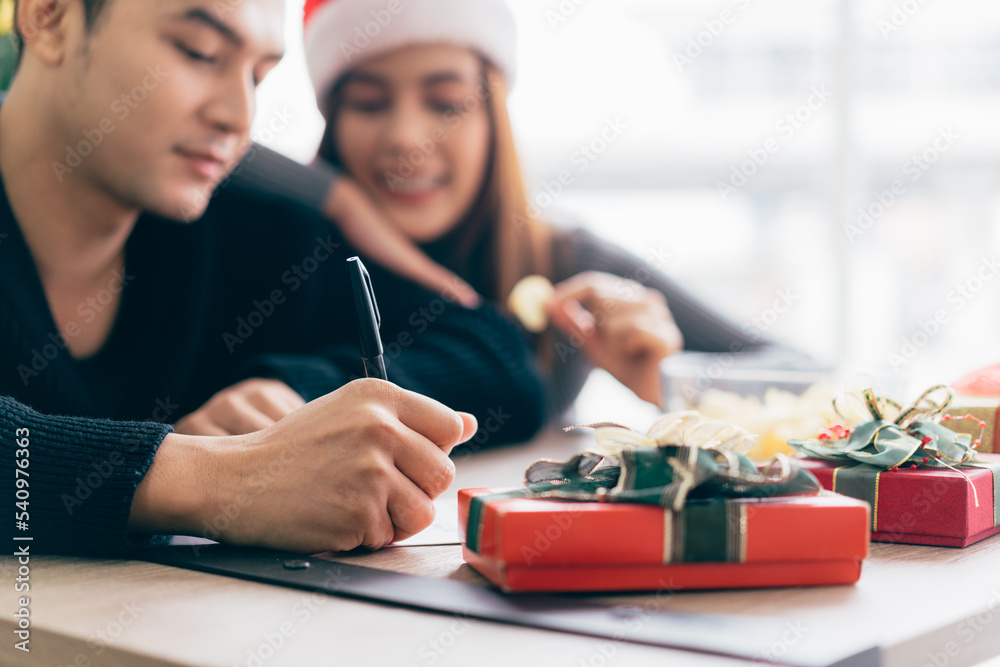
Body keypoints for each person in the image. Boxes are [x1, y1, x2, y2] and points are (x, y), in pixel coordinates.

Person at [0, 0, 546, 555]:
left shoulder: (245, 224)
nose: (239, 116)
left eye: (258, 74)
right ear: (49, 16)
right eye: (199, 52)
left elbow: (498, 357)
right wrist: (214, 480)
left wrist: (300, 396)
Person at [230, 0, 788, 421]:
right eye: (370, 103)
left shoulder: (566, 259)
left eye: (446, 103)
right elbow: (178, 139)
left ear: (493, 120)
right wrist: (339, 201)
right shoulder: (286, 250)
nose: (406, 137)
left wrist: (673, 381)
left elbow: (805, 375)